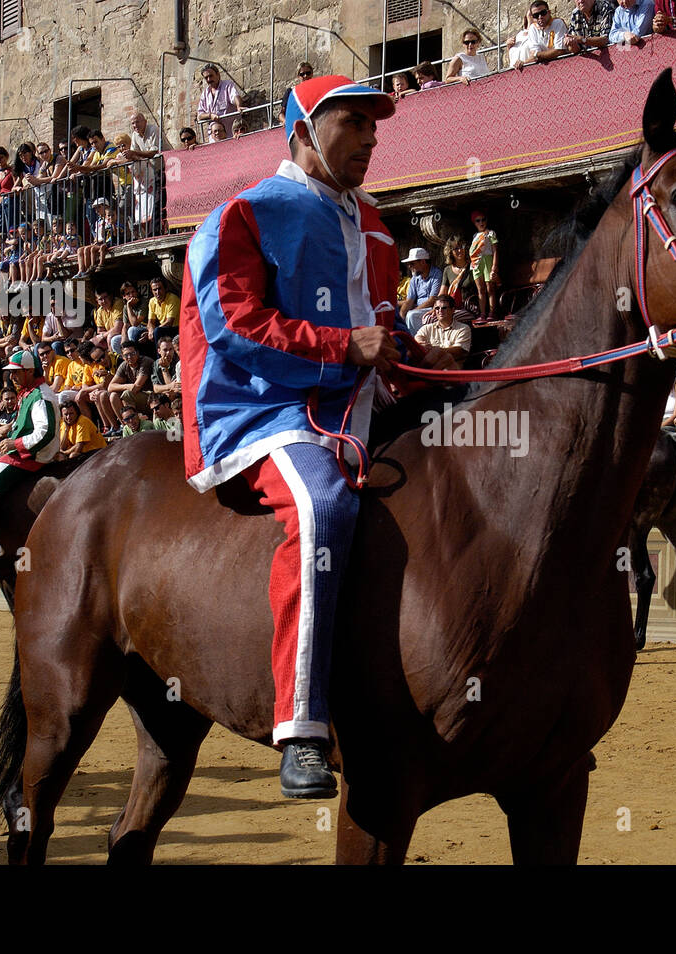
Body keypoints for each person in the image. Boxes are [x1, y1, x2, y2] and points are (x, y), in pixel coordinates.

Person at [178, 74, 422, 800]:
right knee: (324, 507)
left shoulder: (376, 225)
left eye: (375, 127)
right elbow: (235, 328)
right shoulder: (245, 214)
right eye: (353, 125)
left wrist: (420, 358)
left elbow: (384, 330)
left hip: (362, 406)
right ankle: (303, 730)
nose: (370, 139)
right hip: (264, 414)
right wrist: (347, 348)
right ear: (304, 134)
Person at [0, 350, 62, 567]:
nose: (12, 377)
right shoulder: (30, 392)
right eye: (10, 373)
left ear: (30, 371)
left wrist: (15, 443)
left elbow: (45, 432)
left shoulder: (40, 396)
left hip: (33, 455)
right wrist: (6, 434)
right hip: (22, 451)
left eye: (16, 372)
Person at [414, 295, 472, 362]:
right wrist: (420, 343)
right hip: (431, 365)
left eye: (444, 308)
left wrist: (436, 350)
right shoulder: (427, 328)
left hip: (451, 368)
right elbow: (418, 340)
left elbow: (459, 350)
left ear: (452, 310)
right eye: (437, 308)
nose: (440, 311)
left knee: (447, 358)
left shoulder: (463, 328)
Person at [510, 3, 569, 69]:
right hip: (544, 67)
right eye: (536, 15)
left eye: (543, 13)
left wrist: (538, 55)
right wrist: (523, 63)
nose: (540, 17)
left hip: (562, 65)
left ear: (549, 12)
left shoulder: (558, 23)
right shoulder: (533, 28)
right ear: (533, 18)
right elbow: (535, 55)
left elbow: (560, 50)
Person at [400, 247, 443, 333]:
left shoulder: (436, 274)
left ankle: (415, 344)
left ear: (423, 262)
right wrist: (401, 316)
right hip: (419, 309)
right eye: (408, 264)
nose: (409, 266)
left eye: (412, 263)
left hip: (432, 309)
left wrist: (412, 311)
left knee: (411, 315)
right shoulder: (415, 278)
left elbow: (432, 299)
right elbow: (409, 301)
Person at [468, 210, 500, 320]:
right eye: (478, 220)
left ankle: (492, 312)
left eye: (483, 219)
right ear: (474, 223)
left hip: (487, 261)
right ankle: (482, 314)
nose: (481, 222)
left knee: (490, 288)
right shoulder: (474, 236)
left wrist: (494, 266)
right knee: (480, 290)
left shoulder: (491, 233)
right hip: (476, 264)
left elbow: (495, 250)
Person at [197, 63, 241, 136]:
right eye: (206, 77)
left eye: (211, 76)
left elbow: (235, 96)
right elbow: (200, 115)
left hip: (230, 133)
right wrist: (210, 115)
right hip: (214, 136)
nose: (209, 79)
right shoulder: (205, 94)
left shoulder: (227, 85)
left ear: (218, 75)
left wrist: (239, 106)